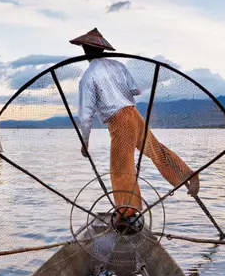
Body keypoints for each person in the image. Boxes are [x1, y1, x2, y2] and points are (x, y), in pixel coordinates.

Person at [71, 28, 199, 229]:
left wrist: (85, 143)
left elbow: (86, 116)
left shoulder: (88, 76)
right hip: (132, 113)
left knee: (121, 168)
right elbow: (135, 90)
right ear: (102, 49)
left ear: (85, 51)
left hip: (119, 120)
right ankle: (187, 174)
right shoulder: (117, 65)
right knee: (156, 150)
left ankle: (127, 214)